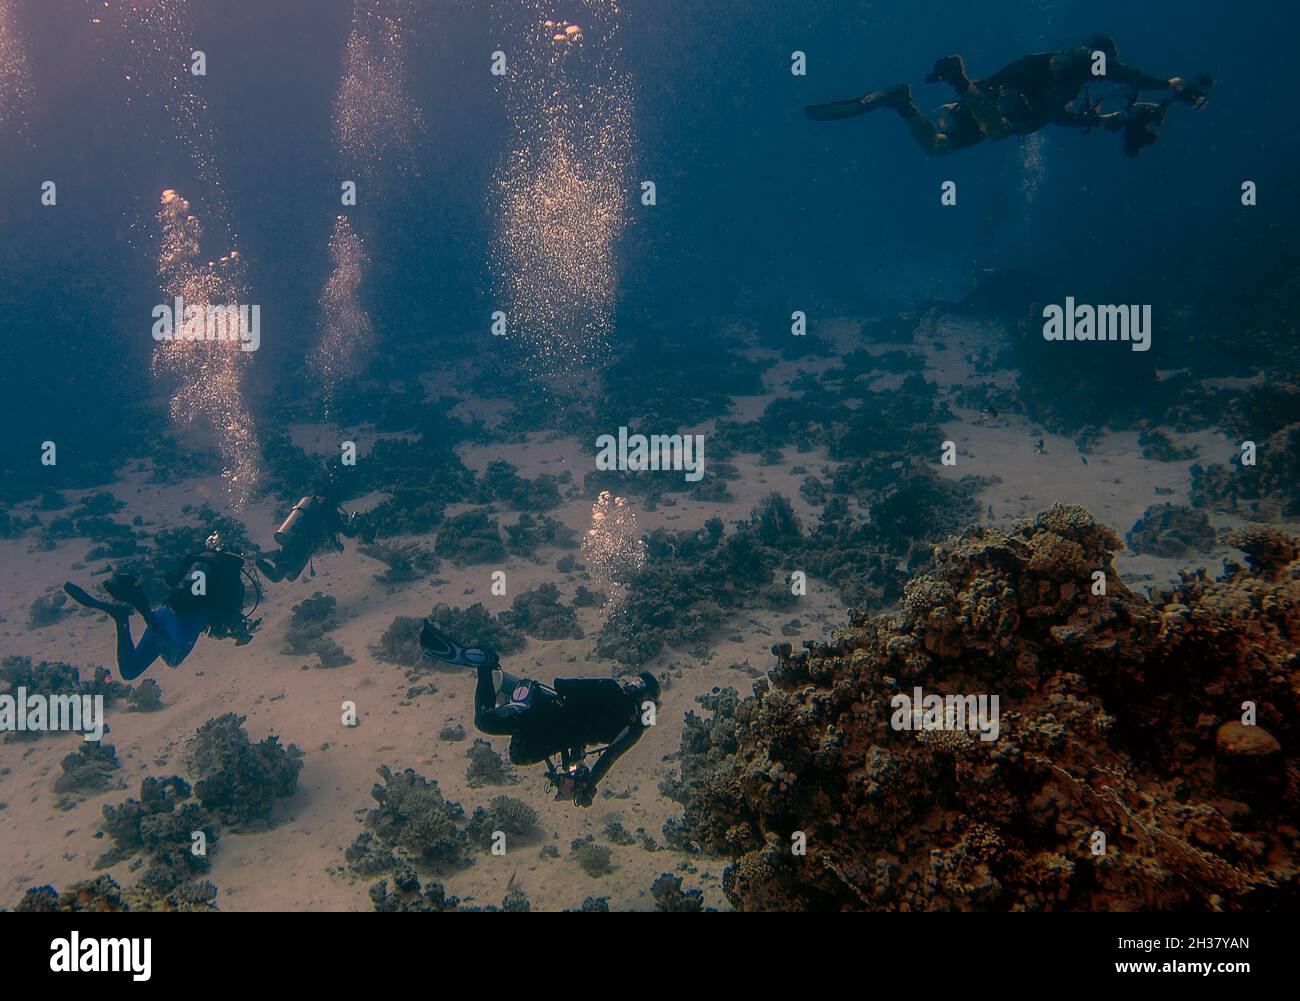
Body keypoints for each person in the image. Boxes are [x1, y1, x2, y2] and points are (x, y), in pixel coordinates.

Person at [807, 35, 1212, 157]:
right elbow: (1122, 72)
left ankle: (901, 102)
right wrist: (1172, 83)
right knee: (1002, 131)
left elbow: (1061, 115)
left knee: (937, 147)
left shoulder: (1069, 86)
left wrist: (1102, 121)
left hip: (982, 104)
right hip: (996, 96)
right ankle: (956, 76)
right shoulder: (1078, 61)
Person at [419, 621, 659, 807]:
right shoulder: (631, 727)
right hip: (545, 724)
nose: (632, 686)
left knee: (515, 743)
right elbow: (610, 756)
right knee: (485, 722)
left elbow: (562, 685)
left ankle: (501, 680)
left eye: (637, 685)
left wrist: (584, 779)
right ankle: (489, 668)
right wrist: (587, 784)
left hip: (548, 717)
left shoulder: (612, 692)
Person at [62, 534, 258, 680]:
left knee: (130, 671)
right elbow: (228, 617)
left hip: (166, 612)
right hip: (187, 621)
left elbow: (175, 582)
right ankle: (141, 607)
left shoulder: (199, 567)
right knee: (173, 658)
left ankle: (121, 617)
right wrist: (240, 630)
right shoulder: (233, 584)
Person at [256, 492, 359, 582]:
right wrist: (357, 522)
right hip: (304, 546)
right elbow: (349, 533)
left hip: (293, 540)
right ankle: (266, 558)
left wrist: (337, 544)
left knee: (283, 575)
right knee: (287, 575)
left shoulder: (312, 507)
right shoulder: (331, 515)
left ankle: (269, 557)